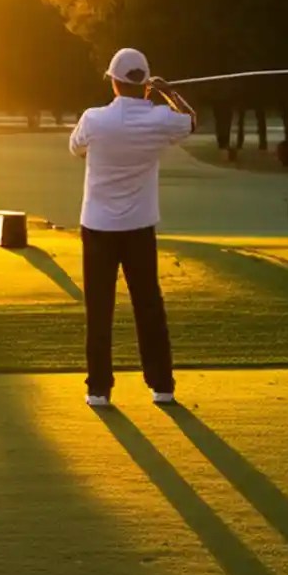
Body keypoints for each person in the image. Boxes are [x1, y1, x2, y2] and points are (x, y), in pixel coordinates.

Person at [68, 48, 197, 408]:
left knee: (99, 307)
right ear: (145, 85)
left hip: (97, 227)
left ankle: (98, 390)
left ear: (113, 81)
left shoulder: (93, 119)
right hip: (139, 228)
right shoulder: (160, 118)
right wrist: (169, 92)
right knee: (148, 305)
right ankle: (162, 386)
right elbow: (190, 119)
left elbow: (75, 148)